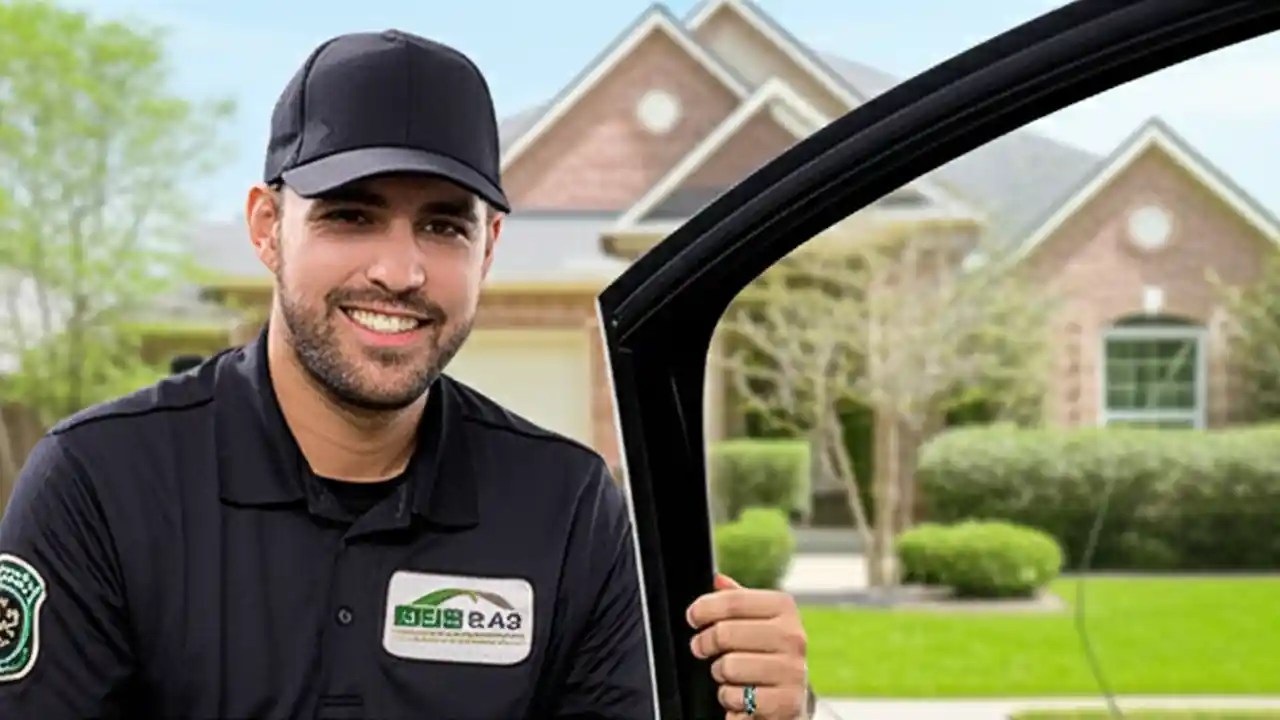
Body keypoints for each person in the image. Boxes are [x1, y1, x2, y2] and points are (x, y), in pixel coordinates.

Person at [0, 29, 811, 719]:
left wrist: (754, 702)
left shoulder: (566, 509)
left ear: (488, 248)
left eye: (442, 225)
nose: (400, 270)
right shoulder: (100, 486)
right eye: (351, 214)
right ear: (266, 228)